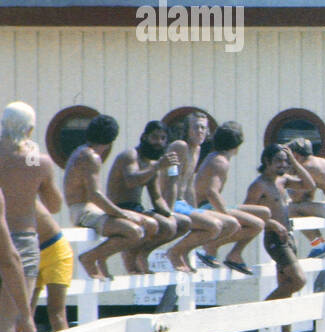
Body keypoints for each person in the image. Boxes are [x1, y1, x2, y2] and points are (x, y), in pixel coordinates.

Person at [0, 102, 61, 332]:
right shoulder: (37, 161)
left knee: (4, 315)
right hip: (22, 241)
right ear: (29, 129)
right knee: (10, 323)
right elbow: (55, 205)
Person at [243, 144, 315, 332]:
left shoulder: (283, 180)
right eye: (279, 160)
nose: (283, 164)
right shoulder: (259, 185)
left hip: (289, 237)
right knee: (298, 280)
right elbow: (246, 211)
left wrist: (293, 160)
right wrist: (270, 223)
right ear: (266, 161)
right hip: (274, 238)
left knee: (287, 286)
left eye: (285, 161)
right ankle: (257, 314)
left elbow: (309, 185)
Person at [62, 114, 146, 280]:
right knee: (134, 232)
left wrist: (120, 213)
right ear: (111, 141)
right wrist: (121, 213)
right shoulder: (90, 157)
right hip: (83, 211)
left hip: (88, 209)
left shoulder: (81, 151)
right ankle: (91, 258)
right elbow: (95, 195)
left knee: (146, 223)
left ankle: (102, 257)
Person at [106, 121, 182, 273]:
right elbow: (131, 181)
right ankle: (131, 253)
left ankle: (142, 253)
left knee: (182, 223)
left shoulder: (151, 163)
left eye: (162, 138)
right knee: (166, 226)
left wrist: (169, 214)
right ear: (145, 137)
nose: (158, 142)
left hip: (137, 210)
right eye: (154, 137)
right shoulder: (130, 155)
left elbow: (157, 198)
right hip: (119, 210)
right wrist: (157, 167)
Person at [192, 121, 267, 273]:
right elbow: (211, 192)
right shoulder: (220, 161)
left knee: (265, 212)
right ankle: (212, 246)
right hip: (206, 207)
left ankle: (235, 254)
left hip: (209, 205)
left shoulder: (215, 156)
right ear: (237, 144)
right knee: (258, 224)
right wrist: (227, 218)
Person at [160, 113, 231, 272]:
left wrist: (195, 209)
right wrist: (169, 210)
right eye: (196, 127)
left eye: (203, 128)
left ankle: (185, 251)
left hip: (184, 205)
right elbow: (170, 178)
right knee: (214, 225)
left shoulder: (197, 149)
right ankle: (175, 252)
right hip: (171, 203)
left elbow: (190, 184)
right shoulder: (180, 146)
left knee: (230, 223)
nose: (200, 131)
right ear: (187, 130)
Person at [32, 201, 72, 332]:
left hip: (54, 248)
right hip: (27, 251)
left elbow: (56, 205)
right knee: (24, 314)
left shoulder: (18, 187)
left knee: (57, 313)